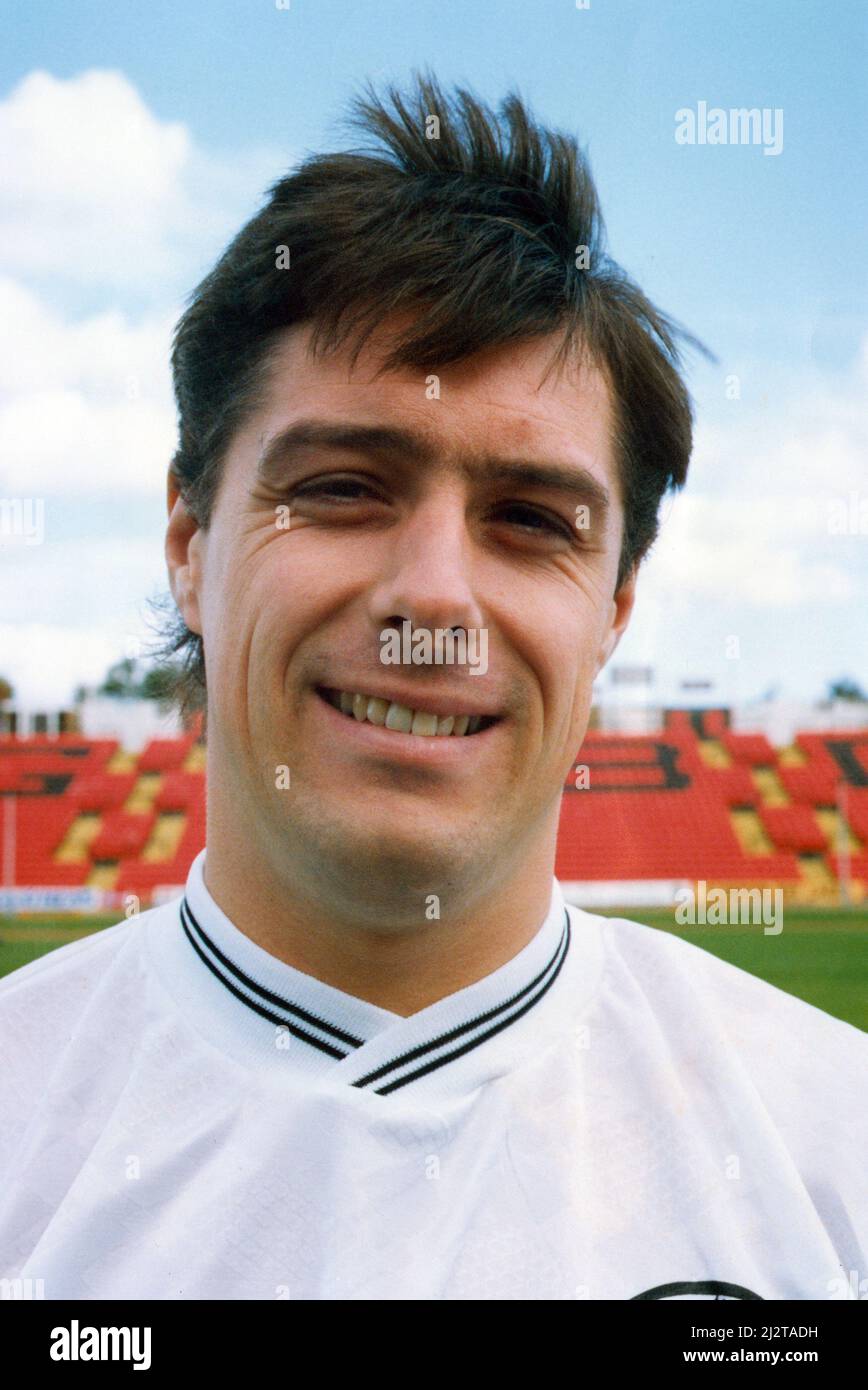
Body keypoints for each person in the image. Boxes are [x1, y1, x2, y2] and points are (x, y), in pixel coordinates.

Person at [0, 74, 864, 1302]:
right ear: (190, 546)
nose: (436, 599)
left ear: (614, 608)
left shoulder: (835, 1156)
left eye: (529, 519)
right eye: (345, 486)